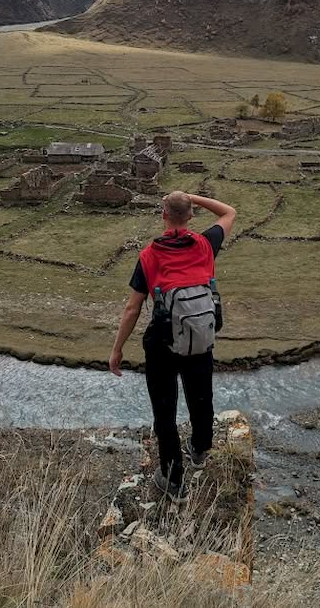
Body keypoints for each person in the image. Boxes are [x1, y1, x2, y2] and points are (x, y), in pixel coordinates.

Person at [109, 190, 236, 503]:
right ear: (191, 216)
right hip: (200, 338)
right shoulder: (205, 244)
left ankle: (172, 477)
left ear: (163, 216)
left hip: (162, 343)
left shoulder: (150, 255)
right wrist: (193, 196)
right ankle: (200, 448)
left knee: (165, 411)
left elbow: (132, 309)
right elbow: (229, 212)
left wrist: (117, 350)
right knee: (201, 396)